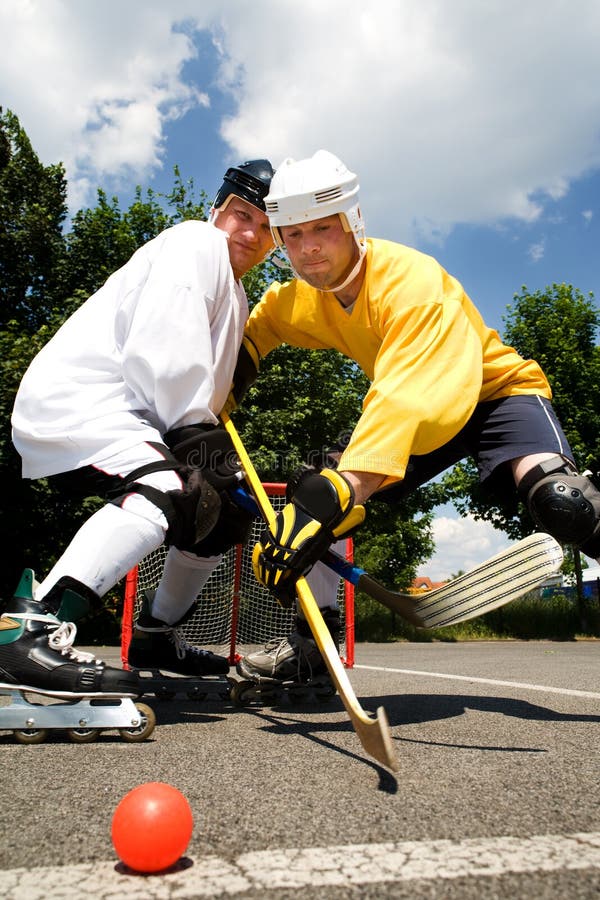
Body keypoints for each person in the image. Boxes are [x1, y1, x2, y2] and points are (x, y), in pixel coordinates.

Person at [233, 149, 600, 682]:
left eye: (322, 229)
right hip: (409, 399)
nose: (308, 248)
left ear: (352, 222)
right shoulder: (304, 300)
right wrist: (211, 398)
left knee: (563, 503)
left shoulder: (410, 281)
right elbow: (257, 331)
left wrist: (347, 487)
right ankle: (311, 648)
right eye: (292, 235)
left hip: (494, 391)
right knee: (316, 489)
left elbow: (412, 397)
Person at [5, 159, 274, 697]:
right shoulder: (195, 243)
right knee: (166, 488)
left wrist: (213, 458)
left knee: (222, 514)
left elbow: (203, 393)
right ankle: (25, 635)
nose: (251, 233)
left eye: (266, 228)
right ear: (216, 210)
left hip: (133, 413)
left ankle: (156, 634)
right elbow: (166, 360)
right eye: (242, 215)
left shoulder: (236, 293)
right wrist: (197, 436)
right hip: (83, 401)